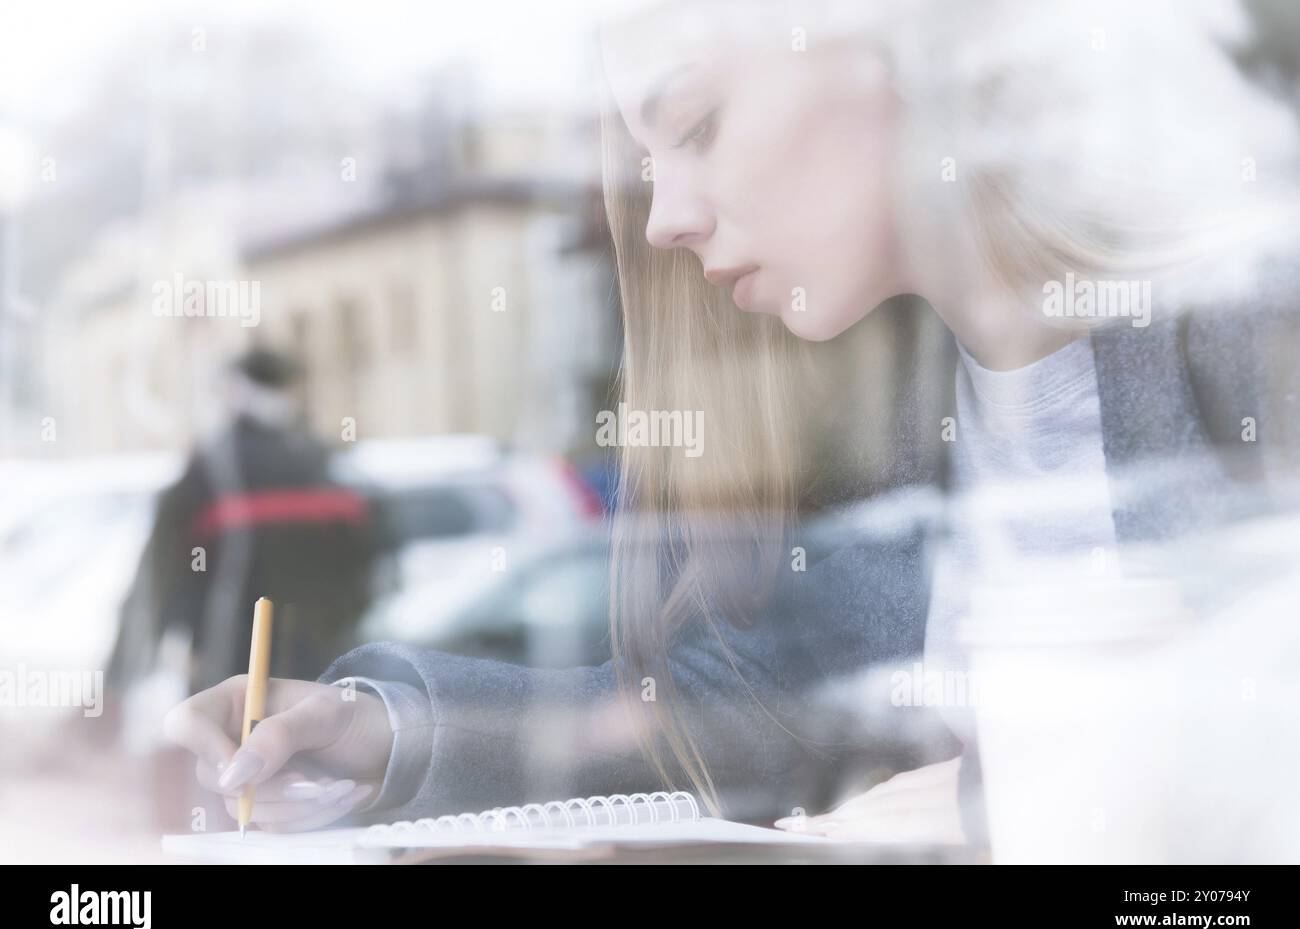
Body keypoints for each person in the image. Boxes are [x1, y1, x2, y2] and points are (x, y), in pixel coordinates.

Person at [164, 0, 1300, 839]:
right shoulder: (856, 442)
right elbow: (711, 727)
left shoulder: (1249, 333)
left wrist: (995, 804)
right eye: (645, 161)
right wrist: (381, 732)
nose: (664, 219)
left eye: (695, 125)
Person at [111, 348, 377, 698]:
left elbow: (362, 556)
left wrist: (180, 631)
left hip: (281, 657)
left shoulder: (309, 461)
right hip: (250, 656)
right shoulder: (224, 469)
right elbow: (172, 562)